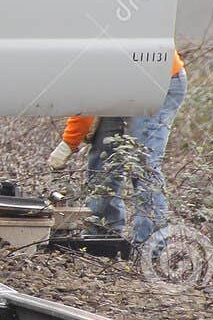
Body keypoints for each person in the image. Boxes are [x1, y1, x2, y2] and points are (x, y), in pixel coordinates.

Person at [47, 52, 186, 246]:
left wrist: (69, 143)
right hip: (121, 83)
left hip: (158, 81)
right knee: (104, 158)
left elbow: (88, 97)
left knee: (143, 165)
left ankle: (150, 247)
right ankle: (102, 234)